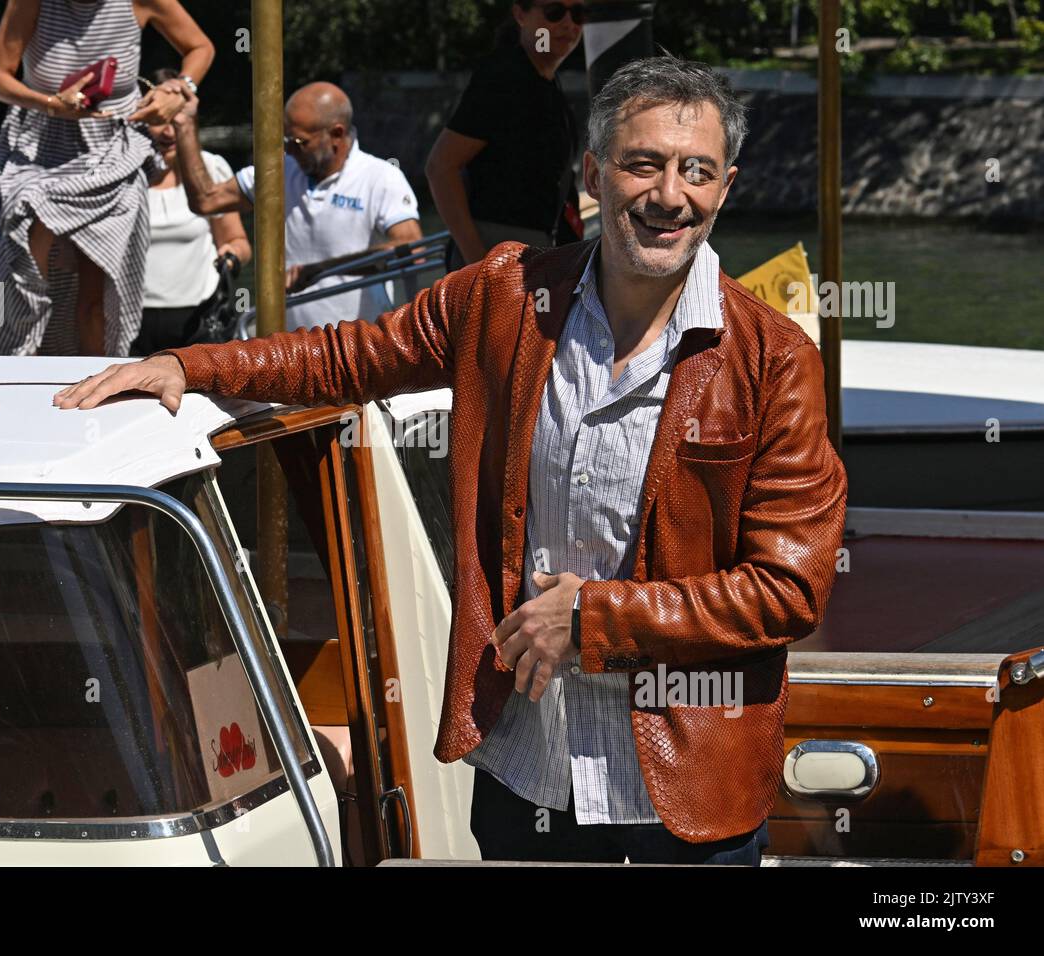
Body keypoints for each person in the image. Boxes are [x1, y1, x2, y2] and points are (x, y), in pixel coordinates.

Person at [54, 57, 848, 865]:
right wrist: (191, 365)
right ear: (592, 174)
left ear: (725, 186)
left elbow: (790, 588)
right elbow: (352, 356)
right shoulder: (506, 296)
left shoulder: (774, 360)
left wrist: (592, 620)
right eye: (643, 164)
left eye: (696, 172)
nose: (670, 195)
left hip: (690, 791)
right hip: (527, 769)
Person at [0, 0, 213, 356]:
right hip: (41, 145)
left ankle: (97, 374)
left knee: (97, 294)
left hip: (112, 148)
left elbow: (200, 47)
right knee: (26, 233)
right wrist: (50, 103)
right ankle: (21, 360)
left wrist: (179, 88)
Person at [166, 81, 422, 332]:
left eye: (299, 143)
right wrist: (185, 124)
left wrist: (322, 270)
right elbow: (206, 200)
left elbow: (412, 249)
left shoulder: (381, 177)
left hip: (358, 345)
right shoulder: (280, 171)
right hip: (289, 346)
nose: (288, 149)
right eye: (285, 140)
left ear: (336, 134)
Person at [426, 0, 584, 270]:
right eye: (554, 12)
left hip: (536, 252)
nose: (568, 24)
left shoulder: (546, 82)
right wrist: (477, 263)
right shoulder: (505, 77)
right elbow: (440, 167)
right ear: (520, 14)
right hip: (498, 253)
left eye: (578, 13)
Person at [131, 69, 251, 355]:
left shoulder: (209, 169)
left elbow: (237, 241)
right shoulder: (123, 174)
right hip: (130, 320)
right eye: (159, 120)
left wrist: (231, 257)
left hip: (198, 320)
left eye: (176, 119)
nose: (168, 131)